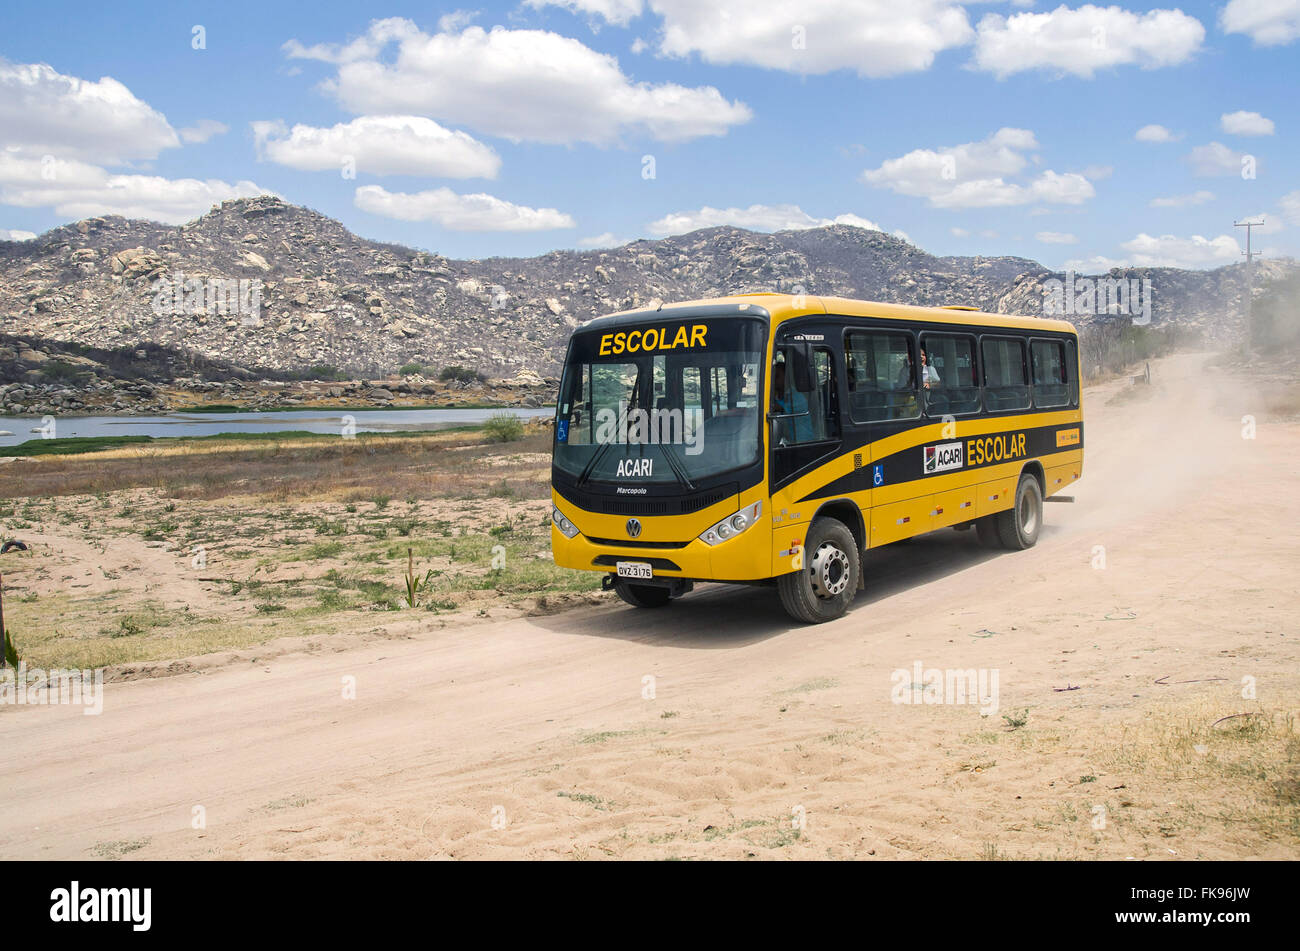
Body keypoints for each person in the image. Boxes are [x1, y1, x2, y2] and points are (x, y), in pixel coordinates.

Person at [770, 360, 813, 443]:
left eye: (777, 376)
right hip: (788, 442)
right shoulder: (777, 396)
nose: (774, 380)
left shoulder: (797, 396)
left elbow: (780, 408)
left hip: (804, 443)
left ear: (786, 377)